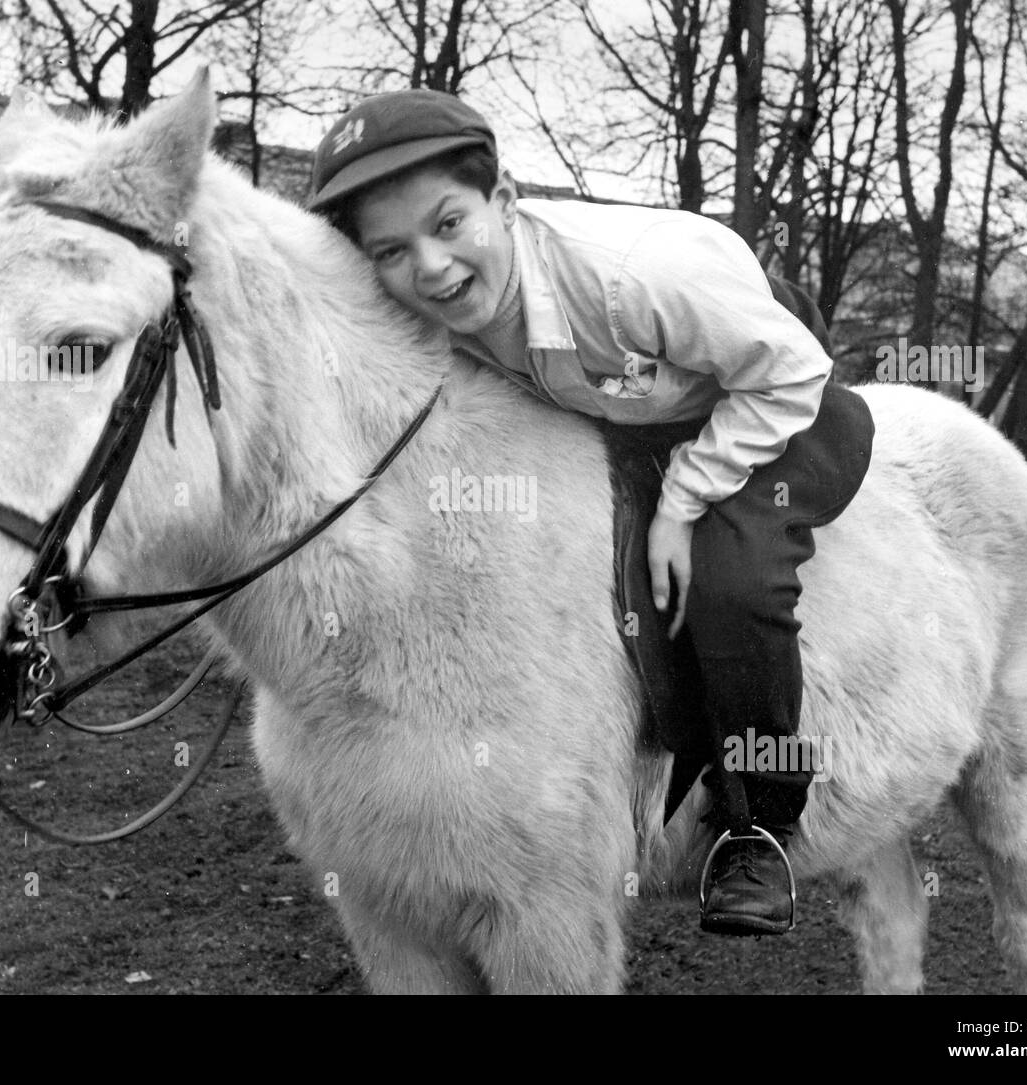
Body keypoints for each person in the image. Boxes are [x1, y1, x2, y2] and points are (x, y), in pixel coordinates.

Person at [307, 89, 874, 936]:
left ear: (502, 202)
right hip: (639, 418)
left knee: (728, 584)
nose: (428, 266)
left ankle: (759, 825)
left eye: (449, 223)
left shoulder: (626, 278)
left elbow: (788, 373)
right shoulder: (427, 305)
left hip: (771, 402)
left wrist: (683, 504)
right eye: (392, 250)